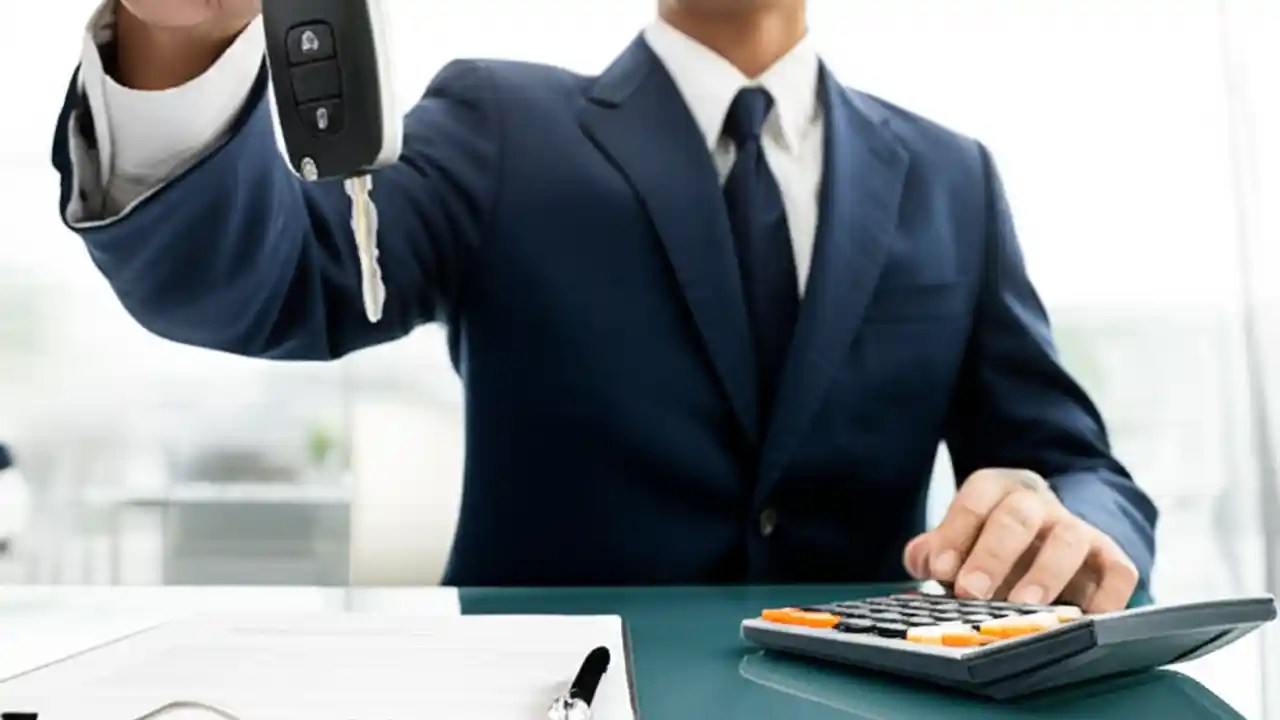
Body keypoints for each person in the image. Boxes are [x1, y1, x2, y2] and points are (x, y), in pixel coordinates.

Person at [52, 0, 1157, 609]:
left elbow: (1073, 463)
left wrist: (1064, 527)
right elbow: (264, 284)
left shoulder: (949, 173)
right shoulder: (500, 124)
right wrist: (181, 37)